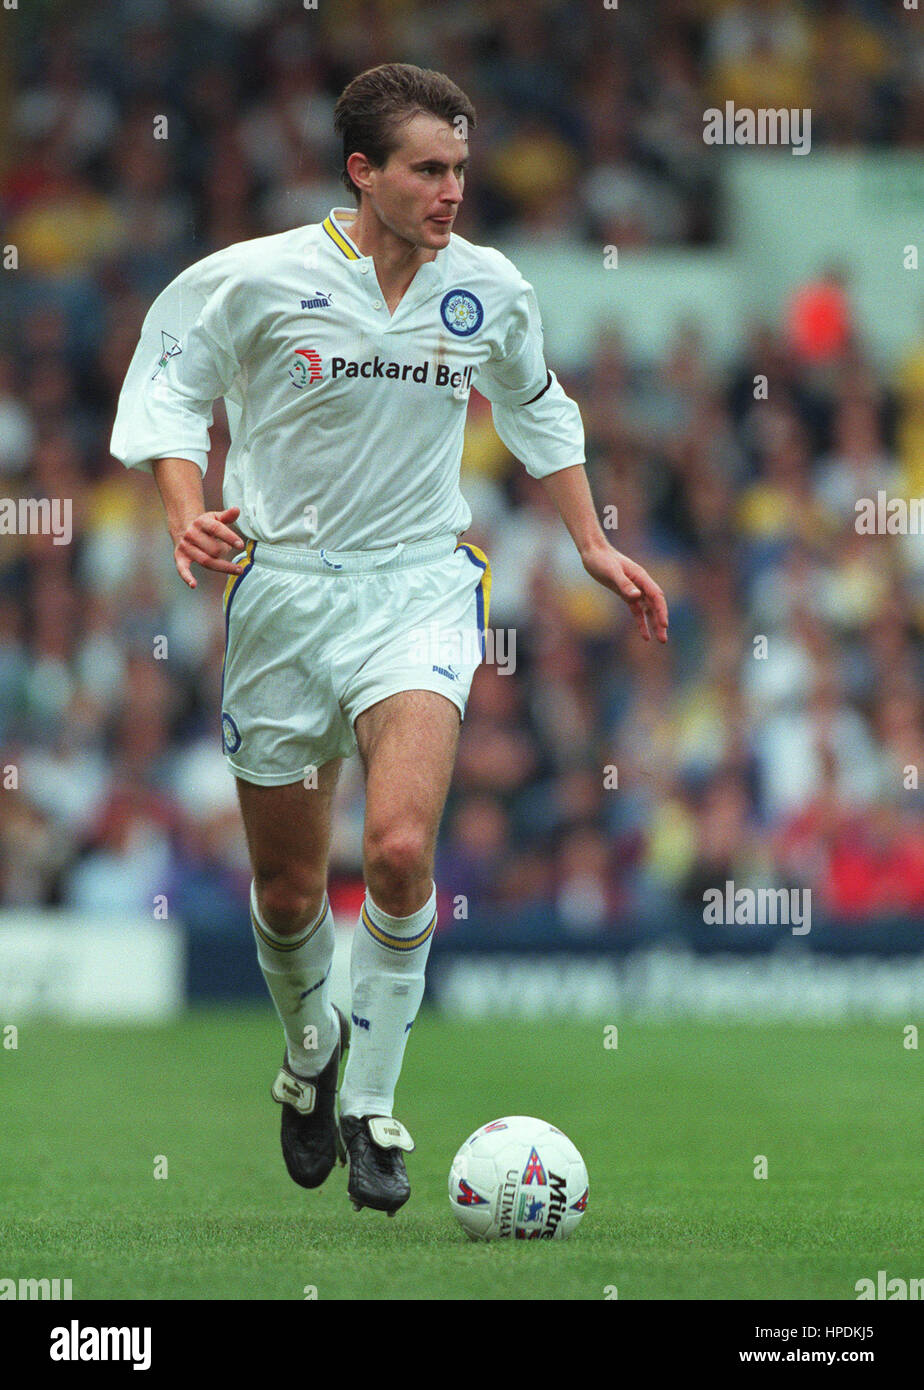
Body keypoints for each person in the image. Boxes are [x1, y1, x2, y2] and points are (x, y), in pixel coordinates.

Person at [111, 62, 668, 1216]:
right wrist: (182, 507)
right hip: (280, 592)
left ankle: (371, 1103)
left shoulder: (490, 288)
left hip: (417, 587)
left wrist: (591, 542)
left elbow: (537, 406)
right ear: (363, 172)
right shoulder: (257, 278)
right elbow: (173, 390)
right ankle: (309, 1049)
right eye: (428, 169)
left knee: (403, 851)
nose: (452, 189)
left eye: (461, 167)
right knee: (284, 891)